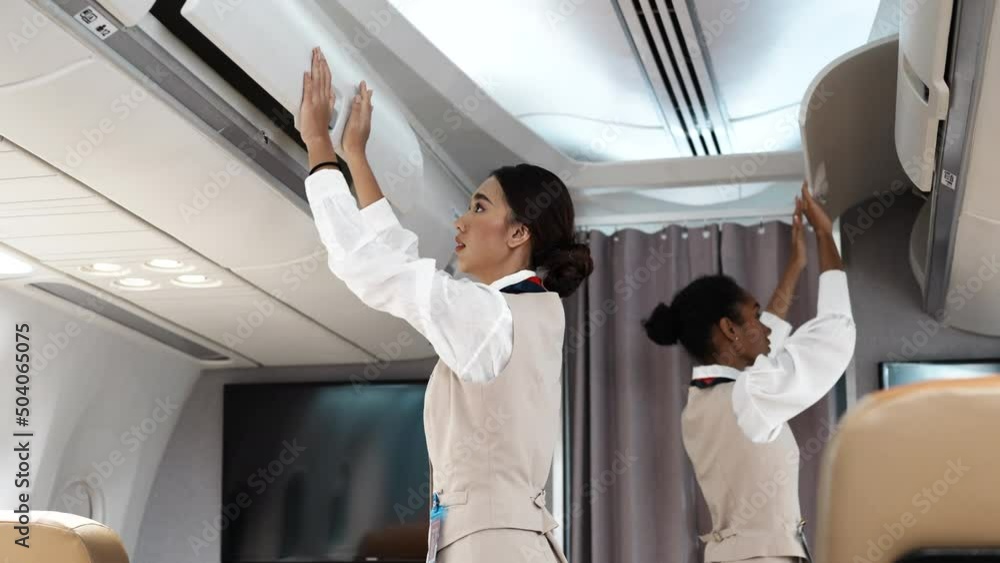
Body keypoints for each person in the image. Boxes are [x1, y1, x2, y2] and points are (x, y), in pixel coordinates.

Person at [299, 47, 591, 563]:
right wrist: (357, 156)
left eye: (479, 207)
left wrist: (319, 145)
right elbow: (399, 264)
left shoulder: (491, 315)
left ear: (519, 231)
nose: (460, 222)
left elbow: (373, 269)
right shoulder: (526, 311)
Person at [644, 184, 856, 563]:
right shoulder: (753, 394)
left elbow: (763, 341)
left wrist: (795, 267)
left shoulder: (701, 399)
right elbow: (836, 331)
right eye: (754, 316)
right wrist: (825, 235)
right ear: (729, 330)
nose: (766, 325)